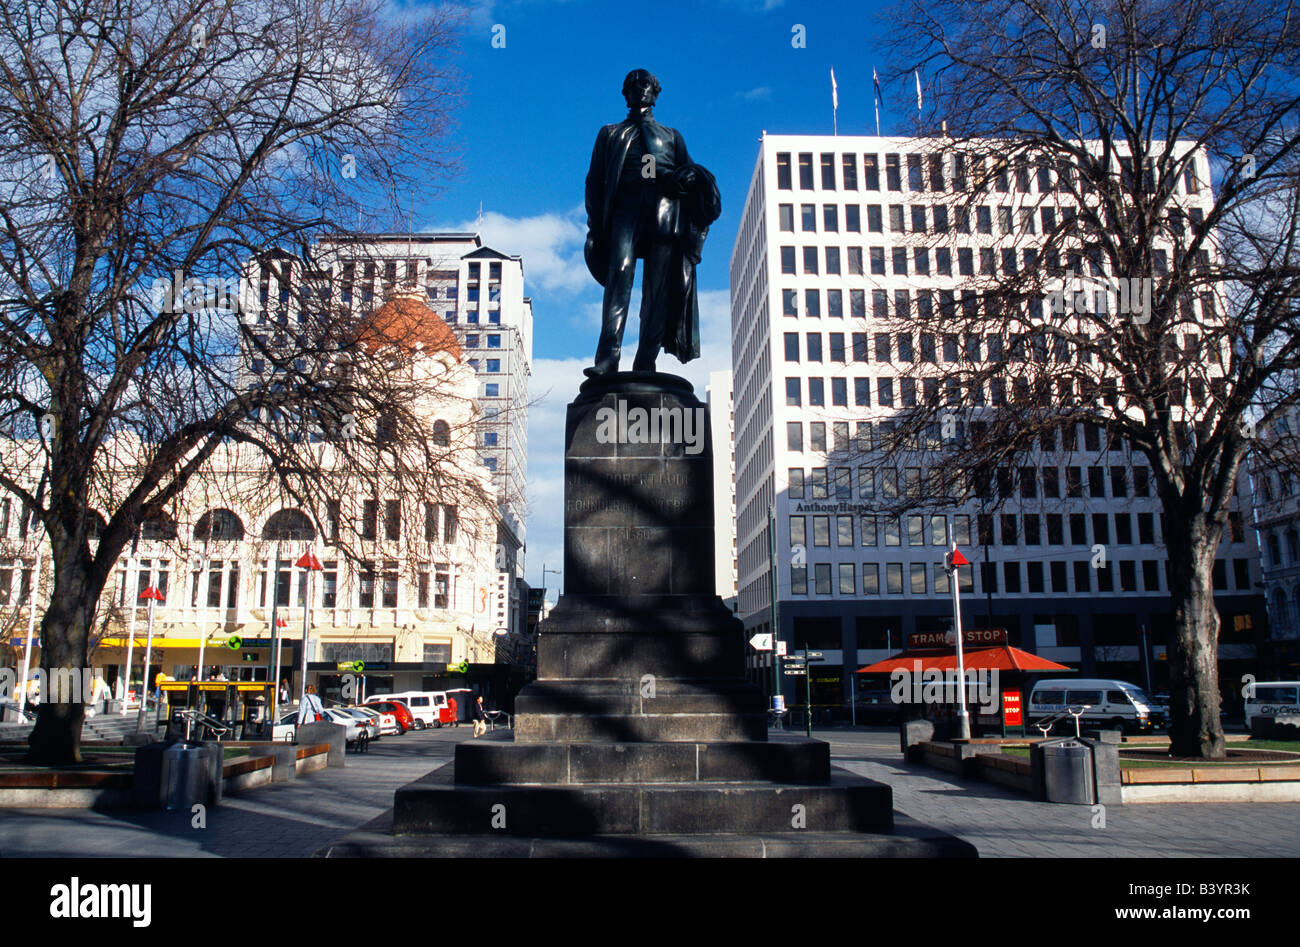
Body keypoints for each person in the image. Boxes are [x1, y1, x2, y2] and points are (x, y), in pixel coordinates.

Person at [583, 68, 720, 376]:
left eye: (646, 84)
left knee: (657, 291)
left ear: (656, 92)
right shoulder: (609, 133)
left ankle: (646, 361)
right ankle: (607, 359)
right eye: (634, 84)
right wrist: (595, 224)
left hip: (664, 213)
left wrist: (686, 177)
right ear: (625, 93)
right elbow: (595, 181)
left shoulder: (672, 136)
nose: (640, 88)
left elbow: (691, 175)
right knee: (619, 279)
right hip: (625, 212)